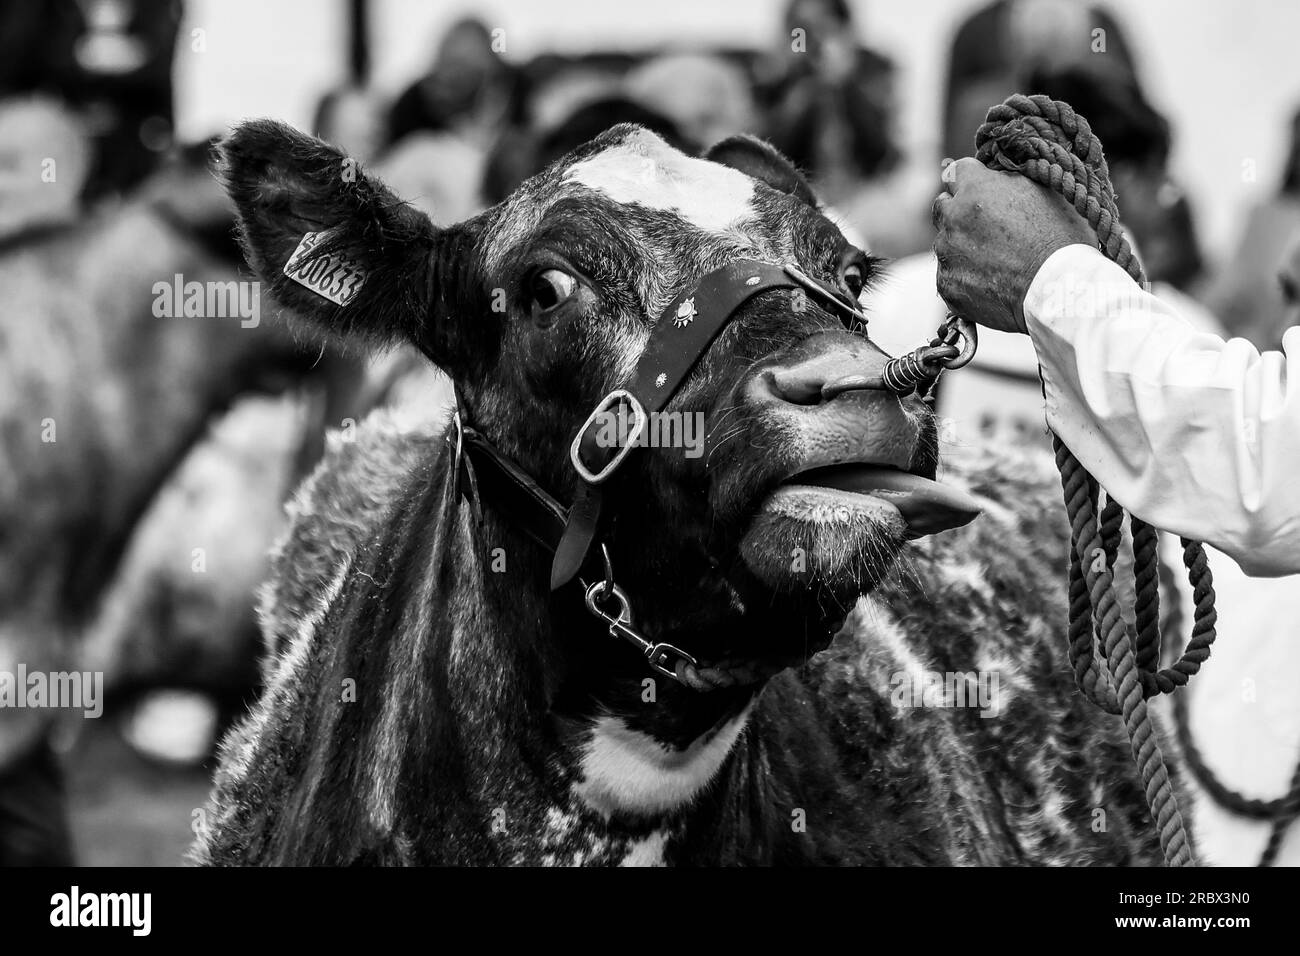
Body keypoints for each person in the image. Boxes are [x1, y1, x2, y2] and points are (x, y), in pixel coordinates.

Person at [932, 158, 1300, 577]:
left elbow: (1268, 473)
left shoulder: (1195, 334)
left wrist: (1047, 275)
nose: (1283, 331)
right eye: (1286, 292)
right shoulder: (1193, 332)